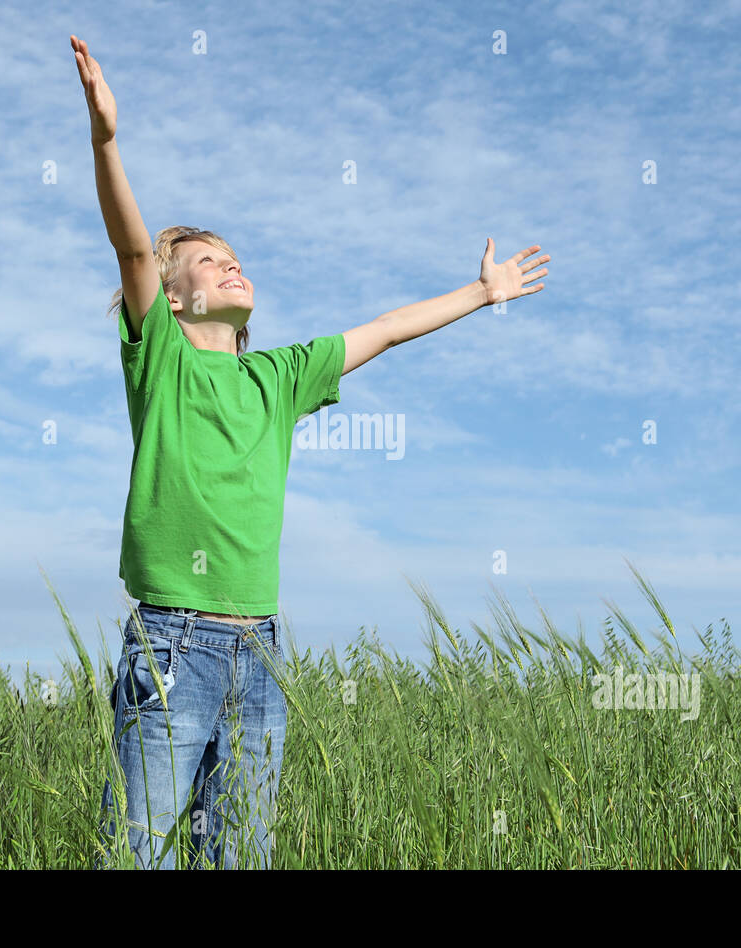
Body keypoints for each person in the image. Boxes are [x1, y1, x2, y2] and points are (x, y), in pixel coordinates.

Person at [71, 33, 550, 869]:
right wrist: (107, 140)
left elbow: (389, 330)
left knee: (244, 855)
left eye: (237, 261)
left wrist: (483, 291)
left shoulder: (283, 377)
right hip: (174, 643)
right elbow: (129, 242)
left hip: (259, 652)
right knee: (134, 852)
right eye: (209, 264)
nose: (232, 269)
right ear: (172, 296)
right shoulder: (162, 359)